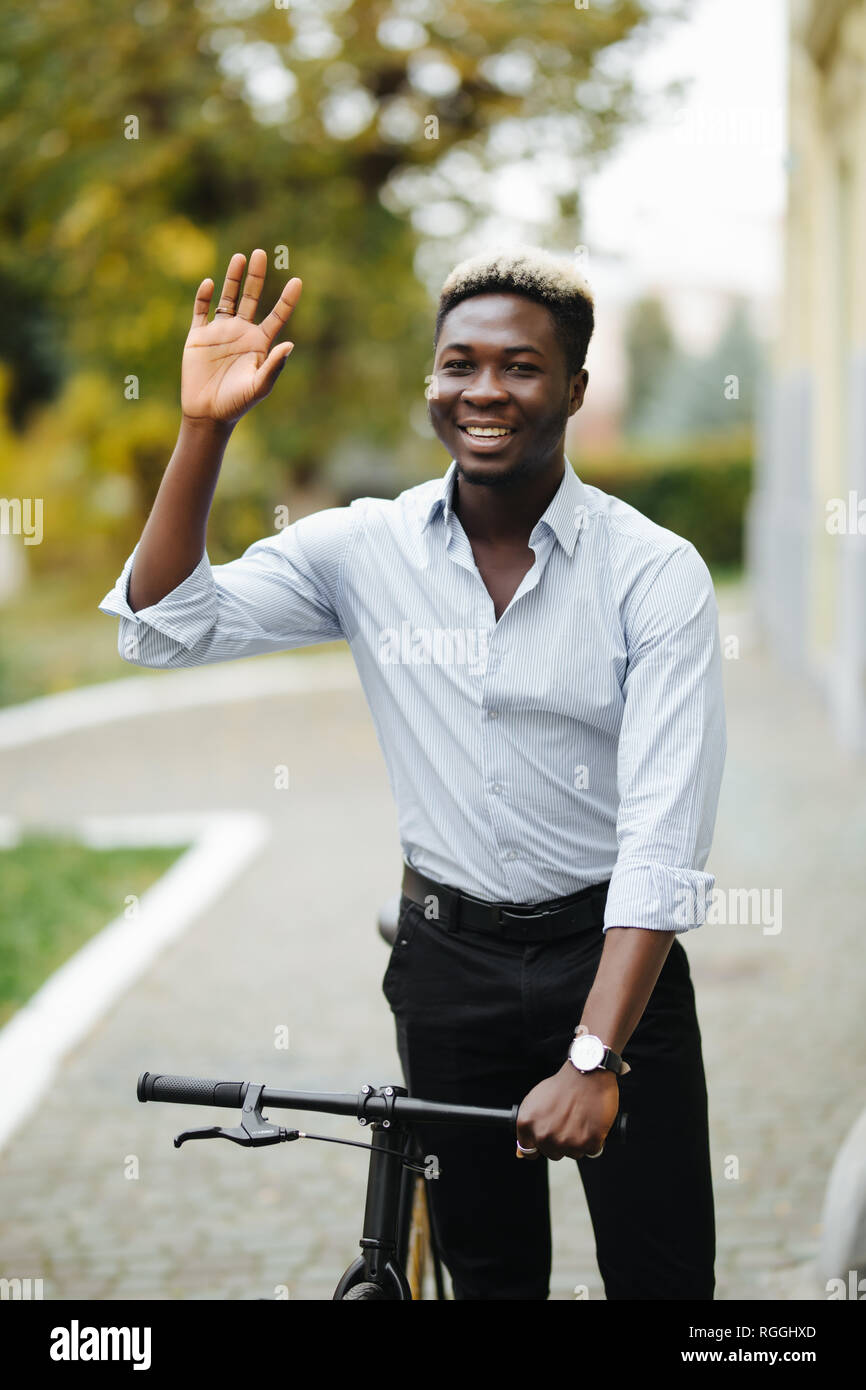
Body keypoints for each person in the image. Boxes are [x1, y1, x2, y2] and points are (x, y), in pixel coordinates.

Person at [98, 243, 726, 1300]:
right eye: (458, 363)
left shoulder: (653, 574)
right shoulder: (361, 550)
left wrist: (592, 1058)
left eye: (520, 368)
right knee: (485, 1278)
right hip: (447, 972)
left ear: (572, 389)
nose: (484, 389)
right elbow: (163, 628)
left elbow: (661, 839)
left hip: (613, 963)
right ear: (431, 381)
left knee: (664, 1283)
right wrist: (204, 427)